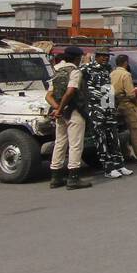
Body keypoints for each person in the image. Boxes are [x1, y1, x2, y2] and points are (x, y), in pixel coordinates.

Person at [46, 45, 91, 189]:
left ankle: (55, 177)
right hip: (75, 111)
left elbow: (48, 95)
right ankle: (73, 179)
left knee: (60, 143)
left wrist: (57, 109)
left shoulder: (57, 70)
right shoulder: (75, 71)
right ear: (77, 58)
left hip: (61, 113)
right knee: (75, 145)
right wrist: (60, 108)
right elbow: (71, 91)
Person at [80, 51, 131, 180]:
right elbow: (79, 79)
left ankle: (119, 164)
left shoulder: (107, 68)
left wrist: (112, 105)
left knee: (113, 136)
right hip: (96, 106)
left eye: (107, 56)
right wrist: (86, 62)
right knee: (101, 138)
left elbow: (108, 88)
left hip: (108, 104)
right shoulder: (88, 69)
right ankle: (108, 167)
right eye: (102, 56)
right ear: (96, 57)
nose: (105, 58)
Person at [110, 55, 137, 165]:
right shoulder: (126, 74)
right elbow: (130, 94)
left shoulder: (112, 74)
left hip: (115, 104)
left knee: (122, 131)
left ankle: (126, 154)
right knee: (136, 131)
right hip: (127, 104)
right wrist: (136, 102)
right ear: (126, 63)